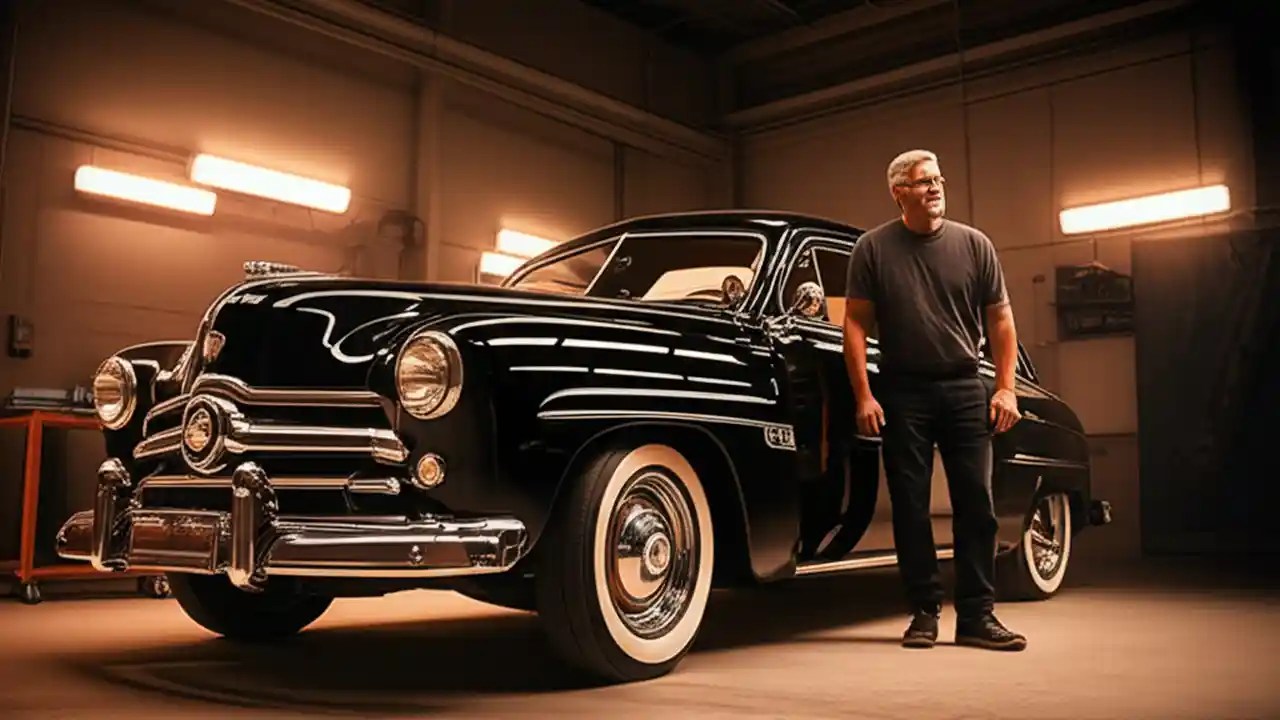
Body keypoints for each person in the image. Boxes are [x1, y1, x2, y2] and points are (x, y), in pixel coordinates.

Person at [842, 149, 1027, 651]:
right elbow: (855, 323)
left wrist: (1005, 387)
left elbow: (1002, 320)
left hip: (967, 386)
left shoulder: (975, 245)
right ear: (899, 191)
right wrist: (864, 395)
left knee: (977, 505)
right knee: (910, 506)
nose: (936, 188)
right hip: (903, 391)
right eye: (925, 181)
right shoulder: (873, 248)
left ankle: (976, 617)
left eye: (939, 179)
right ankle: (923, 612)